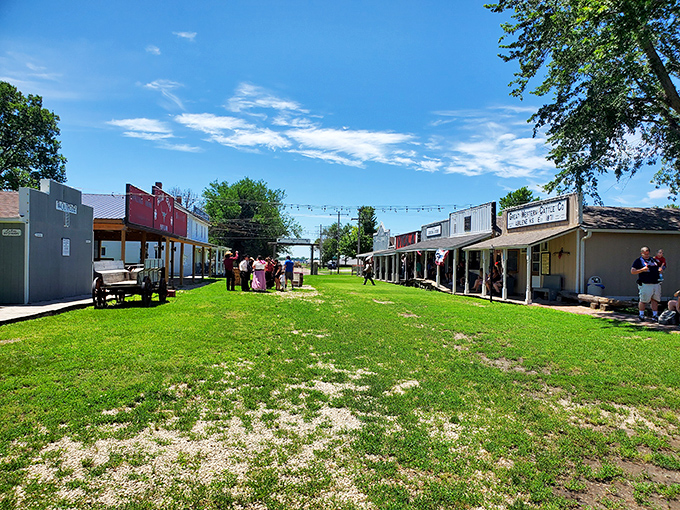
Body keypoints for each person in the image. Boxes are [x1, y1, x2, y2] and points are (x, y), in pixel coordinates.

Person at [631, 246, 661, 321]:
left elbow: (660, 267)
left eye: (648, 254)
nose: (647, 256)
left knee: (655, 299)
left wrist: (660, 270)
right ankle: (641, 315)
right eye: (645, 254)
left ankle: (655, 315)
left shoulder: (653, 260)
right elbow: (633, 271)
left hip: (655, 283)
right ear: (642, 253)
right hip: (645, 283)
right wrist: (642, 270)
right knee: (643, 300)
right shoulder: (638, 261)